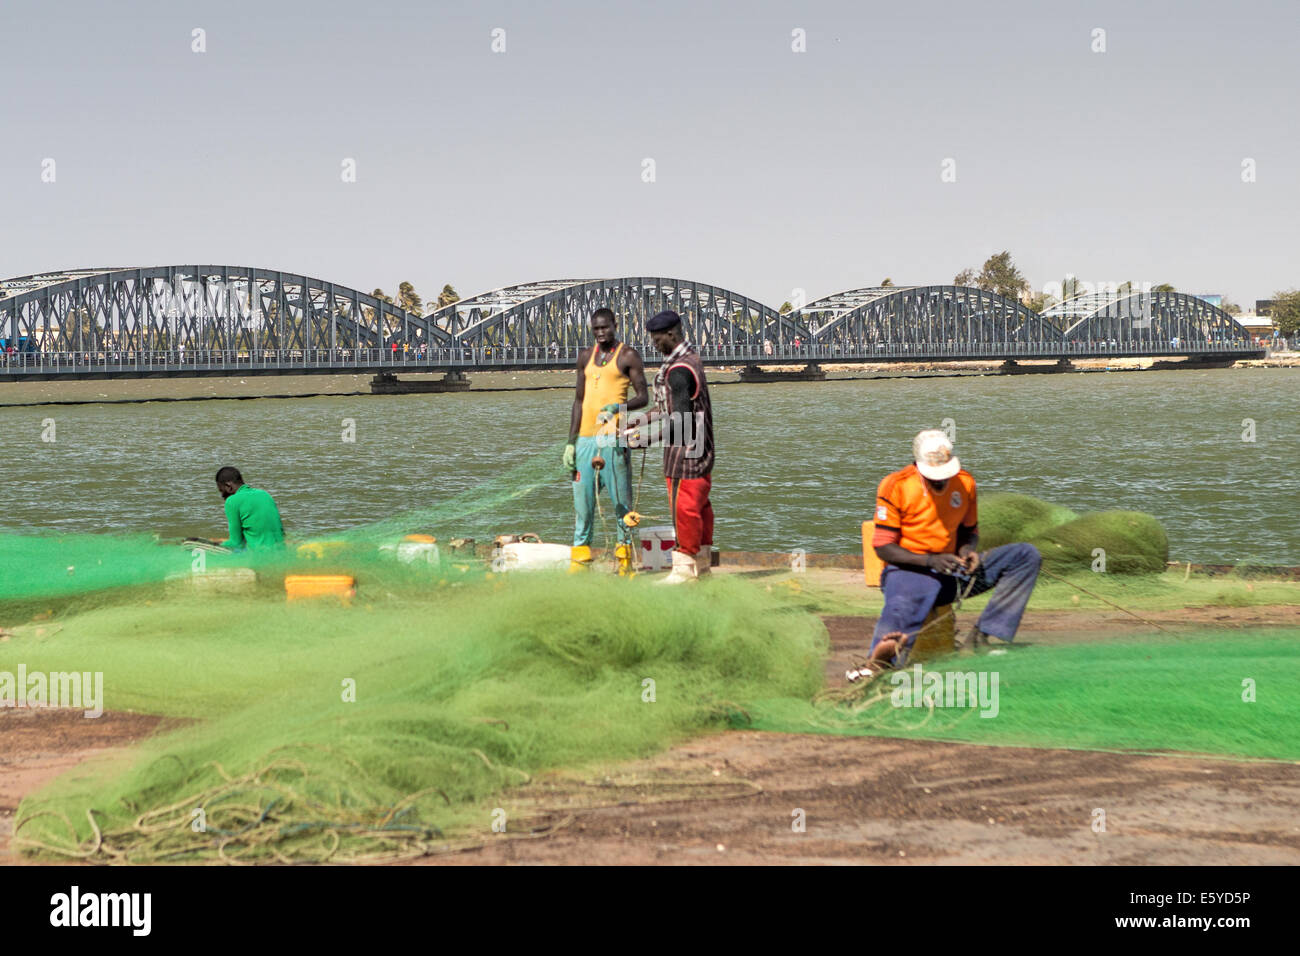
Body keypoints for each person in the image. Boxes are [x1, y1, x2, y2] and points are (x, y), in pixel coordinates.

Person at [857, 429, 1040, 679]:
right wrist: (930, 560)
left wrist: (967, 551)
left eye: (945, 475)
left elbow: (969, 530)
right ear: (918, 465)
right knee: (902, 609)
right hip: (910, 572)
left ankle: (982, 638)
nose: (941, 481)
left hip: (953, 572)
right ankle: (878, 665)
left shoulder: (965, 482)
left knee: (1025, 555)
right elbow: (884, 546)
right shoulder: (896, 485)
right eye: (934, 477)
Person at [625, 310, 715, 584]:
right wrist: (636, 421)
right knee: (700, 507)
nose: (654, 344)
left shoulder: (678, 372)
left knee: (684, 508)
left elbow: (681, 420)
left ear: (672, 335)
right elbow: (666, 408)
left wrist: (645, 440)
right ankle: (703, 567)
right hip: (701, 449)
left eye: (656, 339)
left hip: (685, 452)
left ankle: (684, 570)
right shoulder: (689, 361)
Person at [563, 308, 649, 573]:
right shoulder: (585, 357)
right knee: (583, 506)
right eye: (596, 328)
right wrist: (571, 442)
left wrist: (618, 407)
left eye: (605, 328)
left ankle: (624, 561)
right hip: (586, 440)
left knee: (621, 505)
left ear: (615, 325)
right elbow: (579, 401)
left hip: (614, 441)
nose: (601, 333)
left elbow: (644, 397)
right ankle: (580, 562)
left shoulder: (627, 356)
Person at [213, 466, 285, 551]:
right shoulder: (265, 494)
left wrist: (215, 545)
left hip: (259, 557)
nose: (222, 496)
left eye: (221, 491)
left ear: (229, 487)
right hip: (282, 551)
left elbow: (236, 543)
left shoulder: (232, 501)